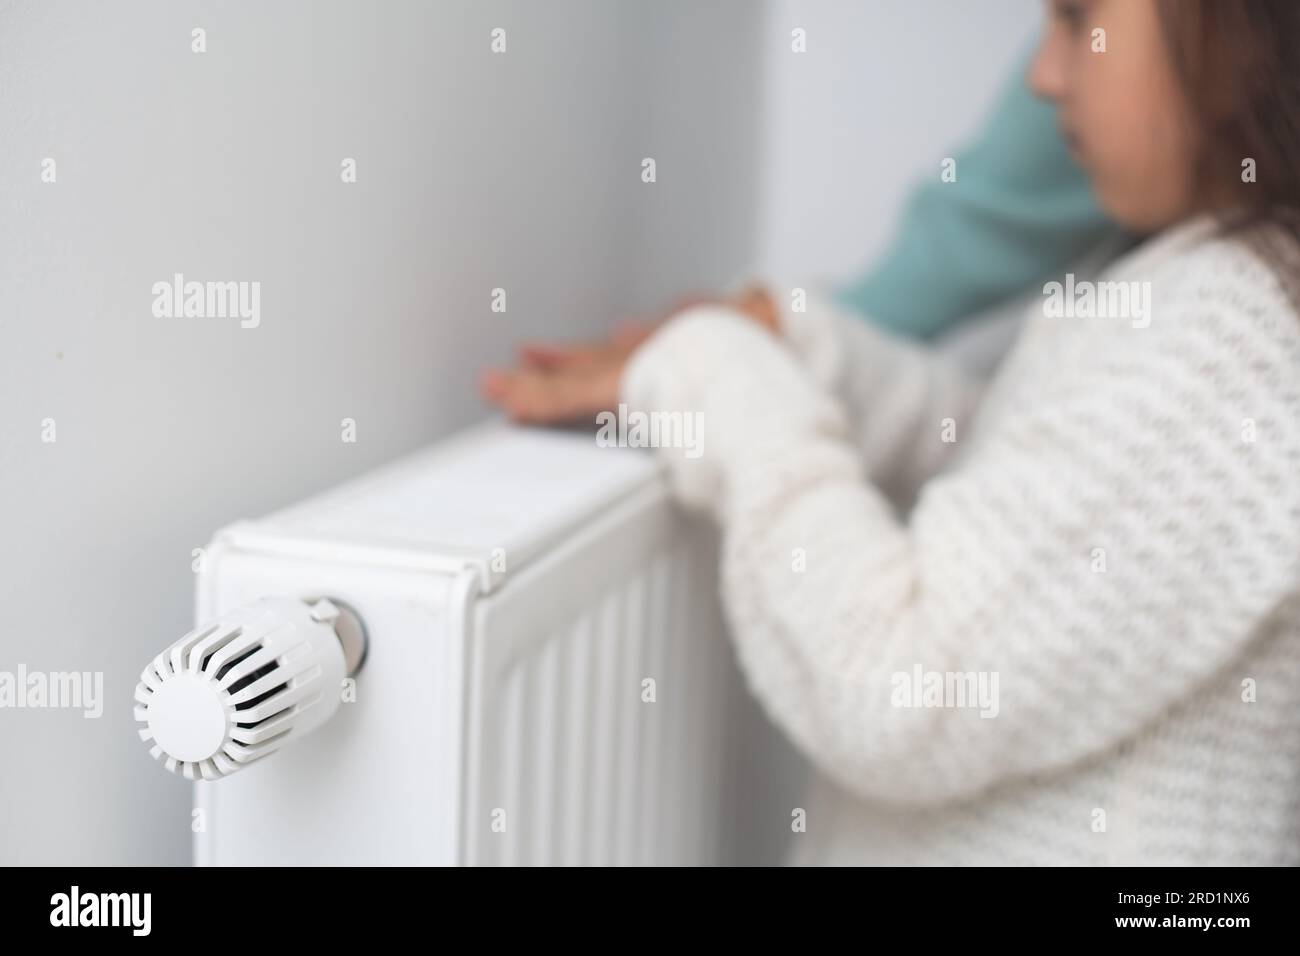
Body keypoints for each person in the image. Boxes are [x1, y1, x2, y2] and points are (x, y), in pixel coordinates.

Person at [483, 0, 1300, 865]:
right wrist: (805, 350)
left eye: (1077, 18)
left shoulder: (1234, 337)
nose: (1042, 74)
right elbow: (1026, 475)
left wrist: (720, 378)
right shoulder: (1218, 290)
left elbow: (899, 686)